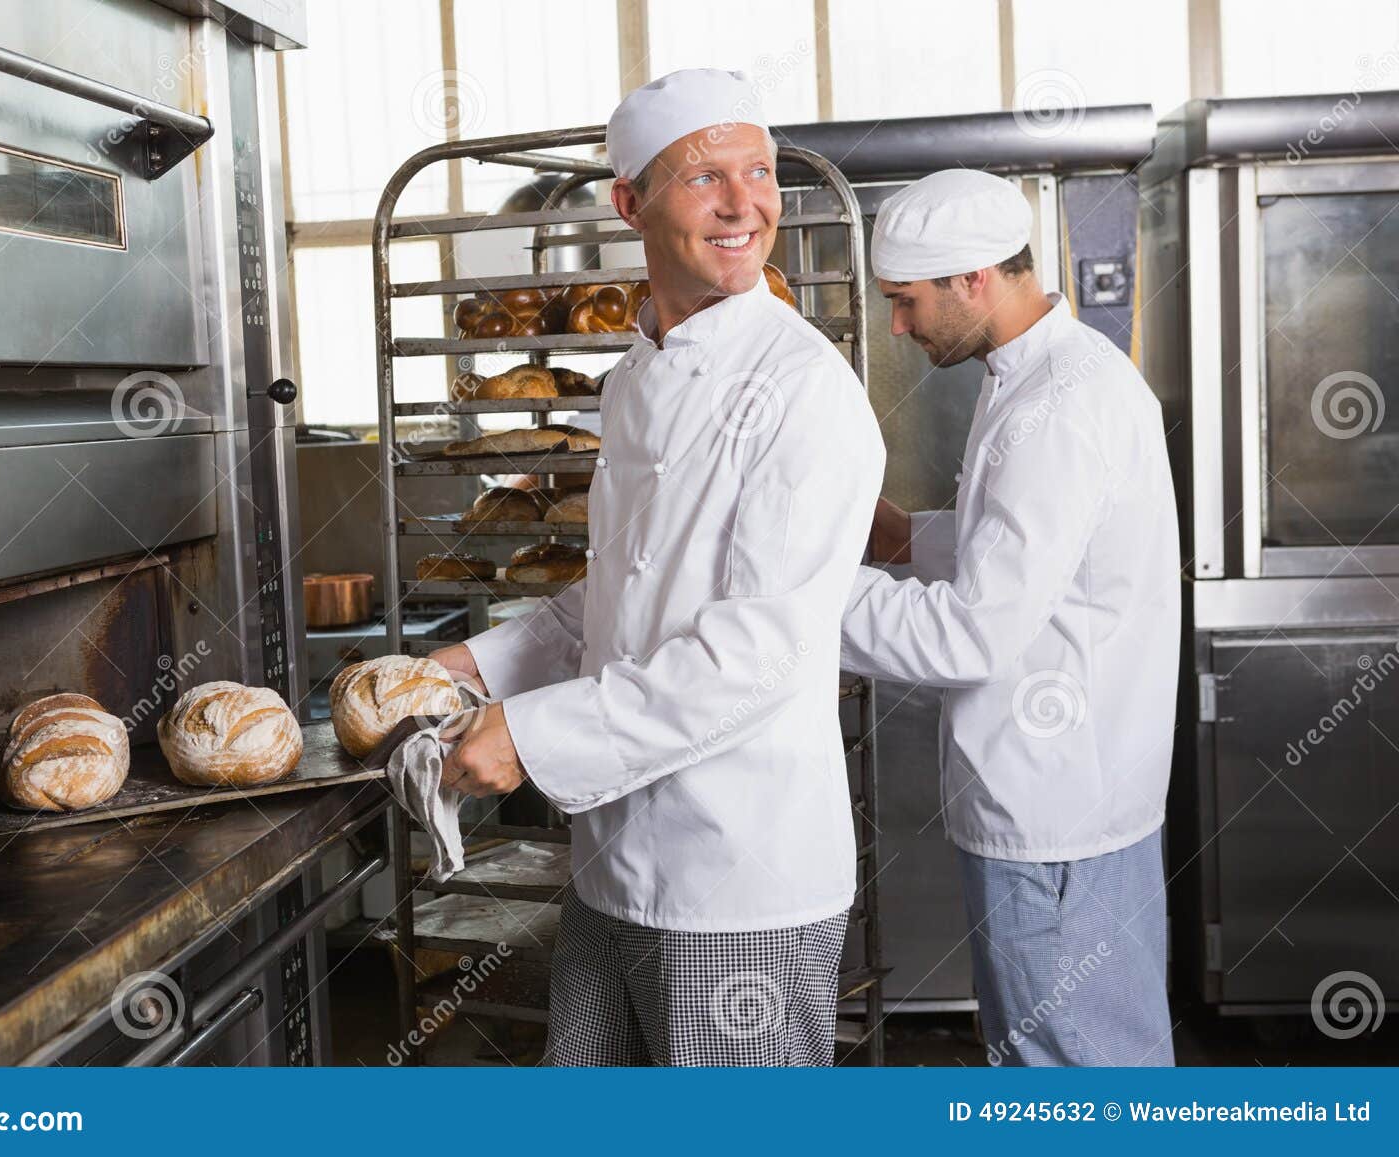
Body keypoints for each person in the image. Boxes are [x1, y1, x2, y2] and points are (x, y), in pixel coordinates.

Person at [429, 68, 883, 1066]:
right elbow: (627, 586)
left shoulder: (804, 391)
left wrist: (530, 736)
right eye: (703, 176)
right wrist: (469, 669)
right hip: (612, 858)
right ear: (628, 201)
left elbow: (755, 653)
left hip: (736, 872)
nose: (744, 204)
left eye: (758, 172)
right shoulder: (634, 376)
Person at [842, 168, 1180, 1066]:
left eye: (906, 303)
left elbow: (976, 632)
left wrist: (804, 604)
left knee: (1068, 1073)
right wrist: (909, 537)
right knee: (1088, 1056)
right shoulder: (1043, 375)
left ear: (973, 278)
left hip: (1053, 809)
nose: (898, 328)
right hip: (1067, 796)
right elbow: (1037, 552)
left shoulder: (1062, 405)